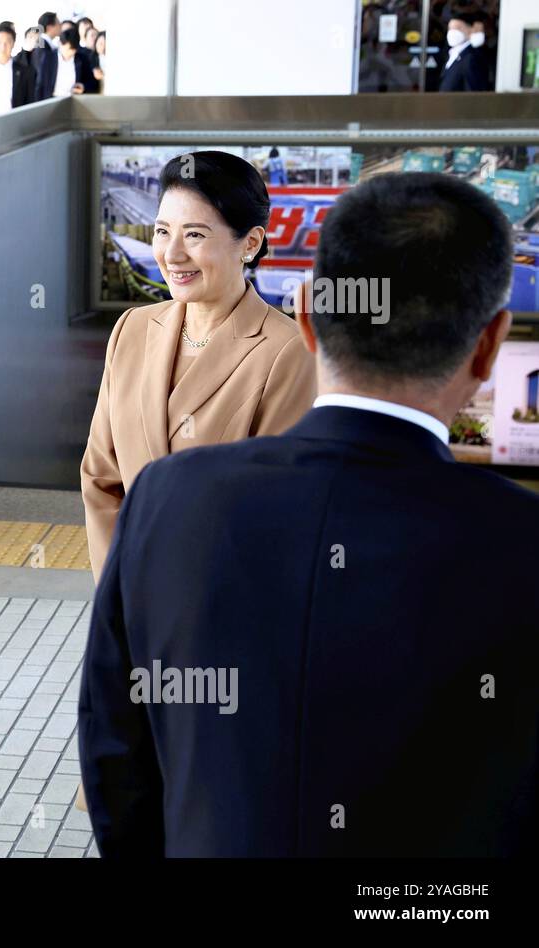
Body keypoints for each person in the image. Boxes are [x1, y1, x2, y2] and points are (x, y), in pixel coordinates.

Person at [78, 171, 537, 856]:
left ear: (308, 318)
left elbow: (116, 754)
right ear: (489, 344)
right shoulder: (519, 546)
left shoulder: (169, 500)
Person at [81, 150, 316, 579]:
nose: (171, 255)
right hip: (130, 608)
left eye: (194, 235)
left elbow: (279, 512)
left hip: (223, 613)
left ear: (250, 242)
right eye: (162, 231)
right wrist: (120, 596)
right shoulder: (132, 329)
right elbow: (101, 478)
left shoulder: (285, 352)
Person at [439, 8, 491, 91]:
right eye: (450, 28)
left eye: (458, 28)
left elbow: (472, 91)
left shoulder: (471, 57)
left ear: (471, 30)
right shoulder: (453, 54)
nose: (452, 32)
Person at [52, 27, 100, 96]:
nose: (68, 53)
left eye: (72, 50)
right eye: (66, 49)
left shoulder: (82, 59)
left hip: (73, 99)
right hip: (51, 99)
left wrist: (83, 87)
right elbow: (41, 84)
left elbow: (93, 82)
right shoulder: (49, 58)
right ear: (60, 44)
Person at [34, 12, 64, 100]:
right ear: (49, 27)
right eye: (58, 24)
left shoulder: (46, 44)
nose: (60, 26)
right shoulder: (42, 46)